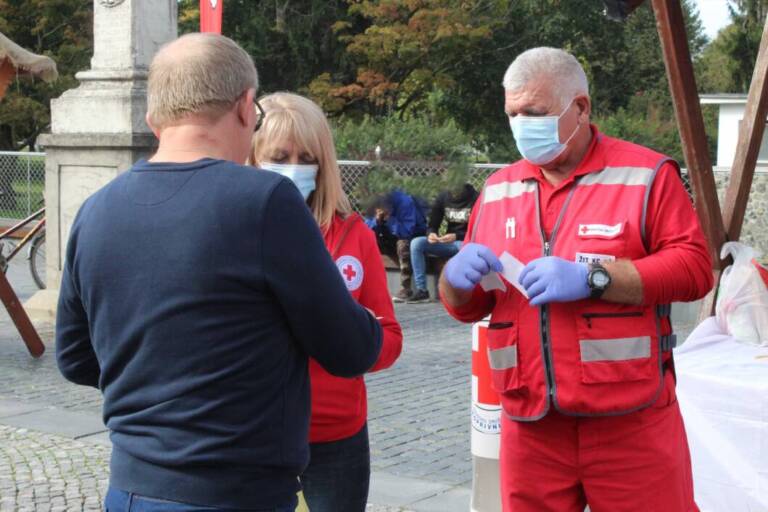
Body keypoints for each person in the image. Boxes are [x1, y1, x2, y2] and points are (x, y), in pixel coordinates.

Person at [55, 33, 382, 512]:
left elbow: (75, 357)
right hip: (235, 489)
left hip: (130, 486)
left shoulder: (96, 209)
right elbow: (350, 347)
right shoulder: (265, 201)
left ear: (154, 117)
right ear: (247, 107)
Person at [439, 47, 713, 512]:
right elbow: (474, 306)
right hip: (530, 424)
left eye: (535, 112)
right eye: (513, 113)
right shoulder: (499, 189)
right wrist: (453, 282)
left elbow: (694, 270)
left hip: (630, 421)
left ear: (581, 107)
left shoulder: (646, 175)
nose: (522, 124)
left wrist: (595, 277)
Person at [249, 92, 403, 512]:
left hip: (335, 436)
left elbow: (389, 340)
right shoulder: (233, 227)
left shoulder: (355, 235)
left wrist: (352, 336)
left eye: (307, 157)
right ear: (253, 155)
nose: (295, 169)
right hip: (253, 433)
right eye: (280, 155)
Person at [408, 183, 478, 303]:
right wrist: (431, 234)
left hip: (467, 242)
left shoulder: (476, 198)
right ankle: (422, 290)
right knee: (417, 243)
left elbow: (479, 229)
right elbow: (432, 225)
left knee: (464, 248)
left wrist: (457, 236)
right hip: (448, 242)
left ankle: (468, 293)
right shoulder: (443, 197)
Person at [364, 189, 427, 302]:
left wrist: (389, 218)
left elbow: (406, 232)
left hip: (409, 237)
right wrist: (377, 221)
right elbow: (366, 229)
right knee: (367, 241)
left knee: (403, 244)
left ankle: (405, 289)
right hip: (388, 235)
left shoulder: (405, 201)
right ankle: (368, 286)